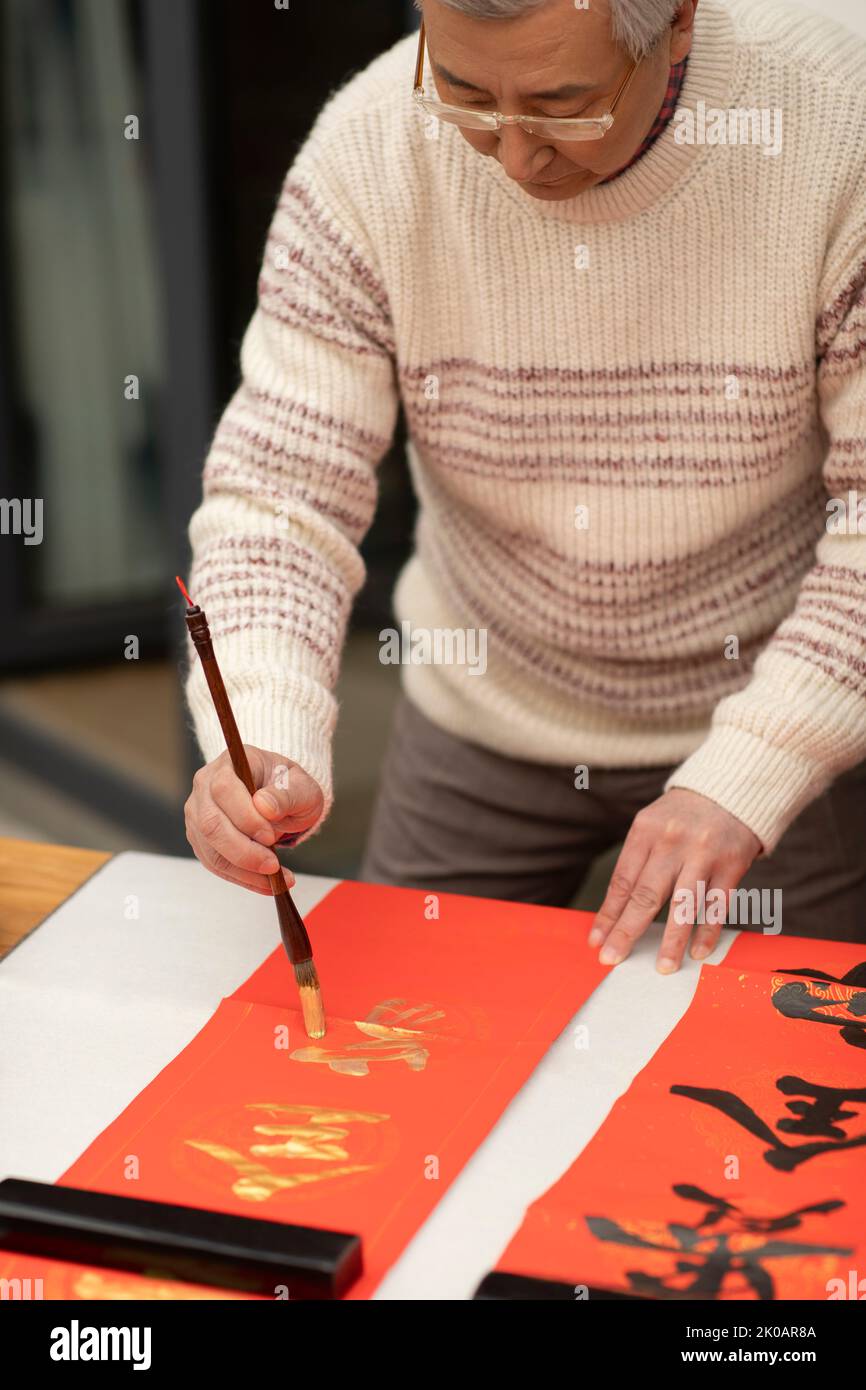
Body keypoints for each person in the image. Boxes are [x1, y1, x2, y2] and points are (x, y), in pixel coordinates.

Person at [183, 0, 866, 968]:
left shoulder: (832, 128)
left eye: (563, 105)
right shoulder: (365, 153)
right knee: (400, 1045)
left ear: (674, 21)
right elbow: (280, 494)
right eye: (464, 93)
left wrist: (754, 769)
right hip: (485, 706)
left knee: (766, 1077)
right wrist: (262, 729)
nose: (511, 159)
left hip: (773, 708)